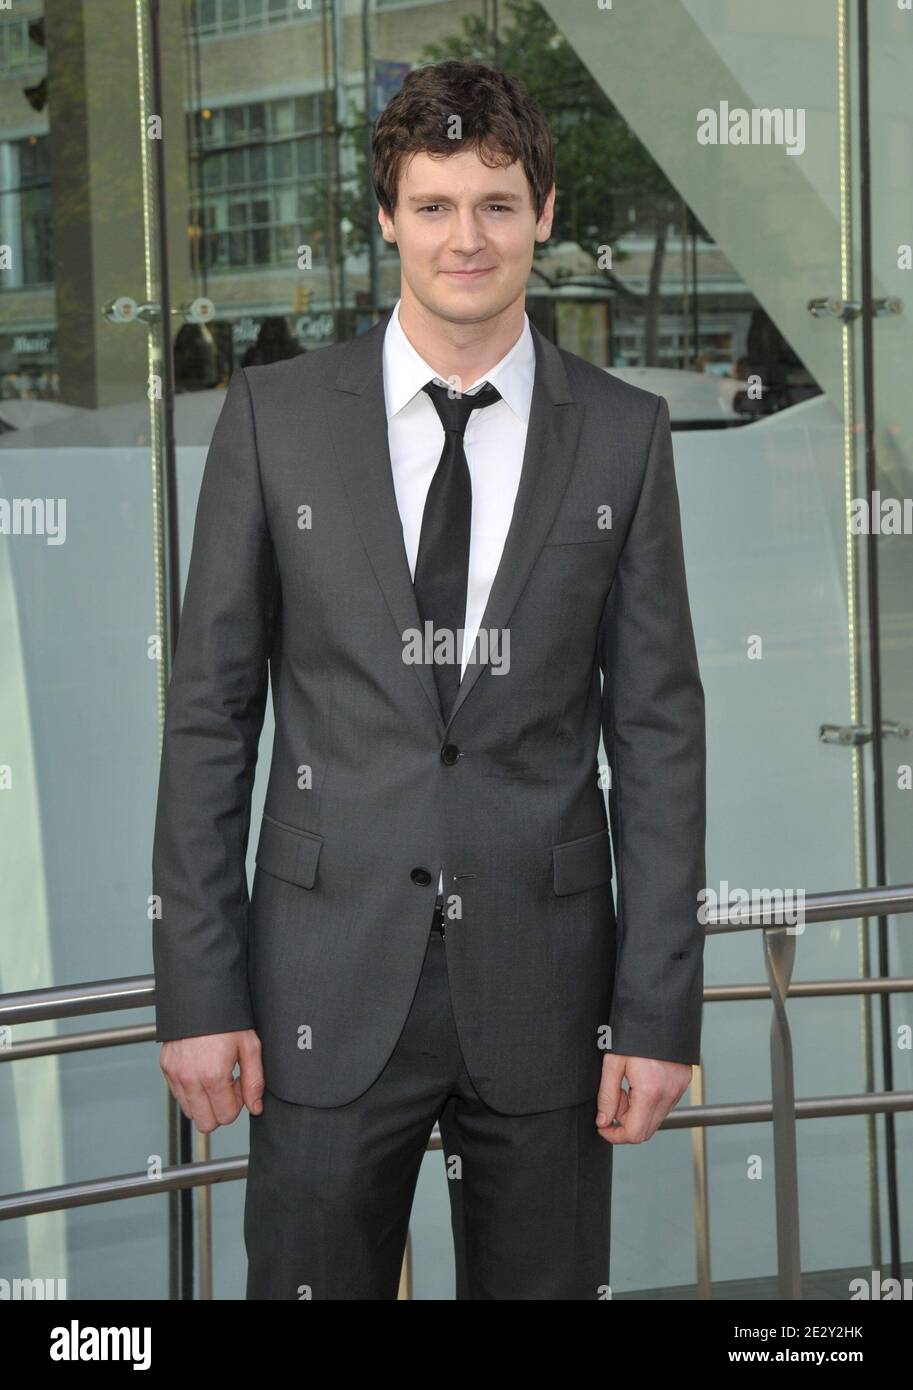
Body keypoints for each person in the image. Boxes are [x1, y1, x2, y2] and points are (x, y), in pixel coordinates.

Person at [152, 59, 706, 1301]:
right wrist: (198, 985)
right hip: (319, 988)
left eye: (498, 204)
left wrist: (659, 1010)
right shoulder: (271, 418)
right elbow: (209, 719)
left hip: (551, 998)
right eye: (437, 203)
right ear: (388, 217)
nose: (469, 236)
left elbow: (658, 732)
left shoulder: (624, 433)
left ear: (544, 214)